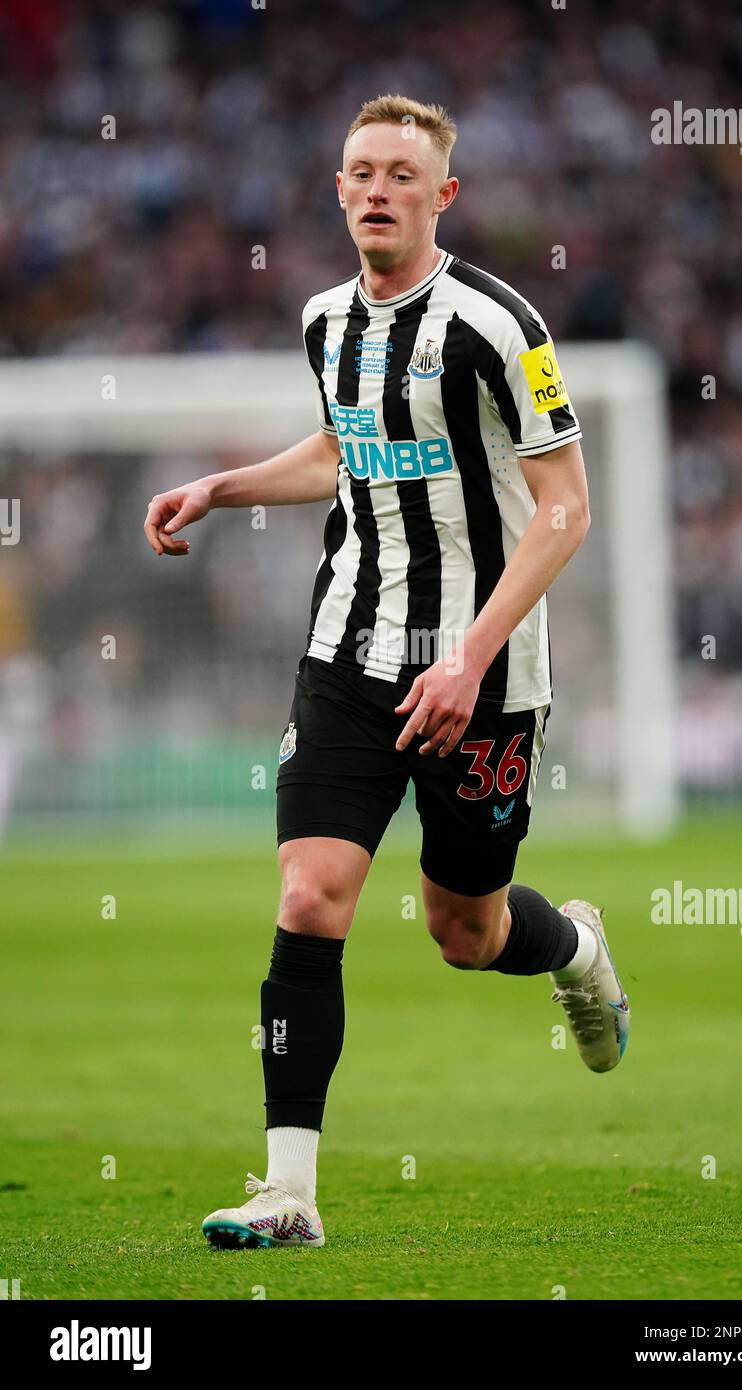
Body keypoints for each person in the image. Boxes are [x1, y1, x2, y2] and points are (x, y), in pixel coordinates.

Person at [143, 94, 630, 1251]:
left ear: (442, 196)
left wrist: (469, 651)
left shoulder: (499, 326)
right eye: (360, 171)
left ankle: (574, 949)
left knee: (461, 929)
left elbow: (565, 511)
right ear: (338, 187)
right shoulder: (326, 321)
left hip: (483, 673)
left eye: (401, 176)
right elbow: (340, 448)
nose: (376, 190)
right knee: (311, 896)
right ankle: (289, 1191)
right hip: (348, 653)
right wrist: (222, 488)